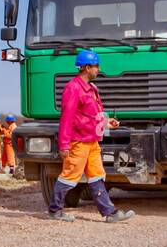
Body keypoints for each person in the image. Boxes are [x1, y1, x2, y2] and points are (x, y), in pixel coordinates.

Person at [50, 50, 135, 223]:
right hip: (78, 142)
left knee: (97, 175)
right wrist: (64, 145)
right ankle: (55, 210)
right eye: (96, 66)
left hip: (92, 141)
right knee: (70, 175)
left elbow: (91, 115)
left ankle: (110, 213)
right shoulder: (73, 88)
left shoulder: (91, 89)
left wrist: (106, 122)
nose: (99, 69)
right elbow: (66, 118)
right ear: (87, 67)